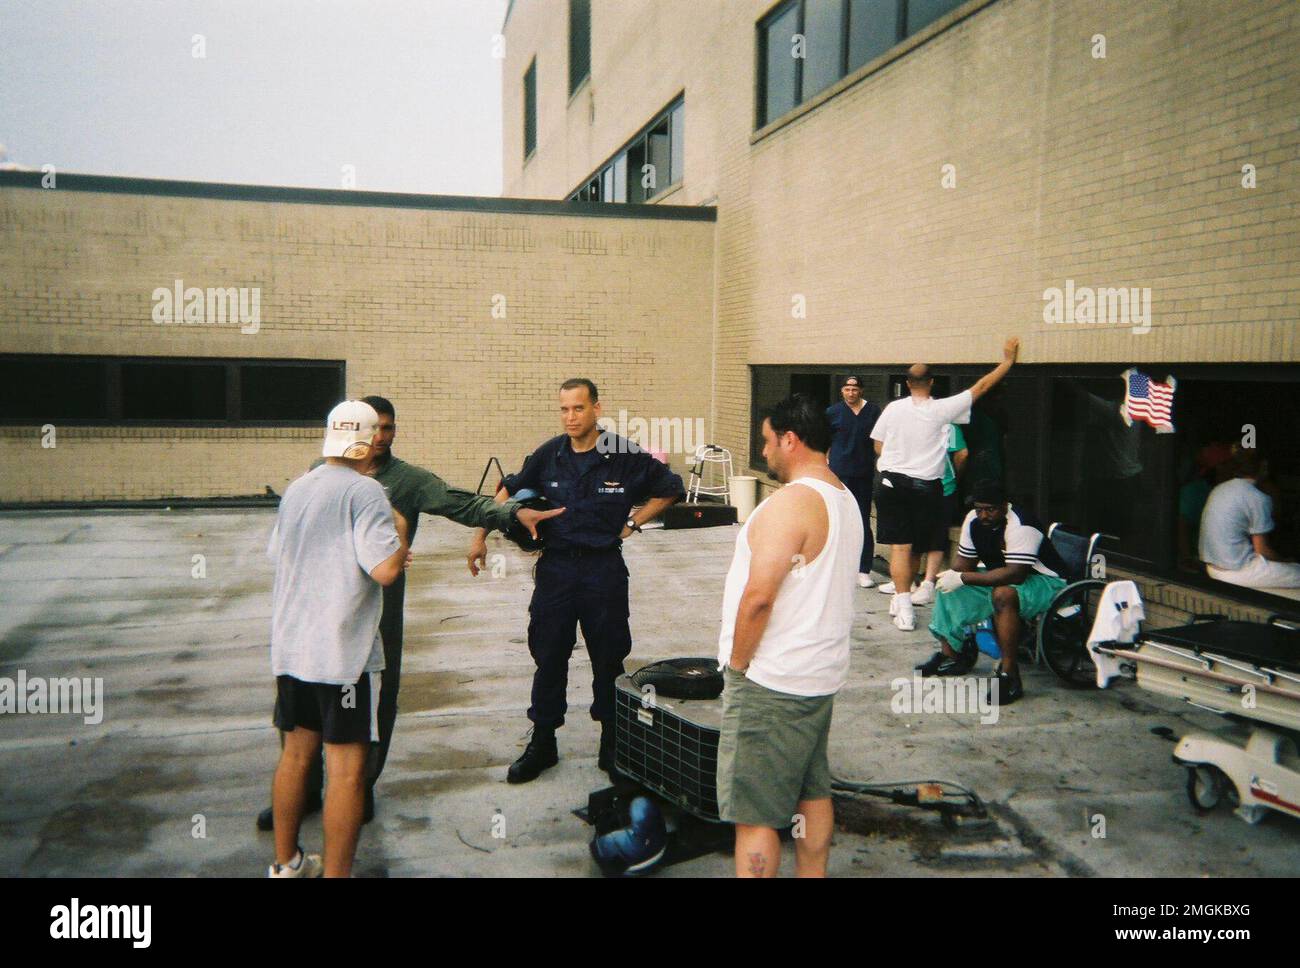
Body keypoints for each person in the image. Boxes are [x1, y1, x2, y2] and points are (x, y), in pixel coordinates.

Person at [255, 395, 561, 831]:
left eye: (387, 428)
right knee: (300, 714)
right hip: (309, 617)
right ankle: (304, 792)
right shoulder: (319, 473)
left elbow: (464, 503)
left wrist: (511, 512)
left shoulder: (408, 481)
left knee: (377, 704)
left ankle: (360, 787)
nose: (379, 436)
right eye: (372, 428)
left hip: (374, 619)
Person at [469, 379, 684, 783]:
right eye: (564, 409)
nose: (570, 417)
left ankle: (614, 740)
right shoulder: (549, 454)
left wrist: (633, 523)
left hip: (603, 570)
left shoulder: (622, 453)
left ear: (596, 408)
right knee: (549, 655)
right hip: (557, 570)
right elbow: (505, 490)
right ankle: (544, 741)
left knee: (608, 659)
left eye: (578, 409)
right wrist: (480, 536)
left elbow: (671, 488)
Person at [716, 394, 862, 878]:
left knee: (755, 814)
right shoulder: (845, 498)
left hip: (772, 683)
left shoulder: (790, 504)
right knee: (811, 791)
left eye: (767, 442)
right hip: (818, 679)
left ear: (790, 439)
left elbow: (759, 597)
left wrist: (737, 666)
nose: (765, 453)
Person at [265, 400, 408, 878]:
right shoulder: (366, 492)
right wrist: (401, 529)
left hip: (292, 649)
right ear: (367, 441)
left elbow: (281, 555)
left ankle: (285, 864)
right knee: (346, 773)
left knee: (295, 756)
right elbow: (385, 570)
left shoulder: (297, 489)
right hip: (344, 659)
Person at [870, 338, 1020, 632]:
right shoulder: (940, 409)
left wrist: (899, 459)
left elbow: (878, 445)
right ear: (932, 382)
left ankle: (903, 605)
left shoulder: (892, 409)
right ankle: (905, 605)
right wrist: (1007, 363)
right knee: (914, 547)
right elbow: (982, 388)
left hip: (890, 482)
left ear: (908, 383)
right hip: (926, 486)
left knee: (902, 547)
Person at [924, 479, 1068, 704]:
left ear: (1004, 506)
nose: (983, 515)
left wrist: (962, 577)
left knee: (1004, 595)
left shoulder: (1021, 524)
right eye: (979, 509)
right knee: (948, 588)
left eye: (990, 510)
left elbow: (1016, 575)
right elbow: (964, 565)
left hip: (1048, 582)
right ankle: (953, 654)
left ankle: (1010, 676)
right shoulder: (973, 520)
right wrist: (952, 576)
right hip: (1005, 575)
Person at [877, 422, 967, 600]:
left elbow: (962, 454)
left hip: (939, 487)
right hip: (917, 487)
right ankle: (906, 581)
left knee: (935, 536)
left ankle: (927, 583)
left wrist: (953, 476)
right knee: (914, 535)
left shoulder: (948, 426)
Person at [1199, 449, 1300, 598]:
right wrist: (1286, 561)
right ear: (1264, 467)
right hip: (1237, 571)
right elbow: (1263, 550)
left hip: (1212, 568)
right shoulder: (1257, 497)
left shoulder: (1219, 488)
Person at [825, 376, 882, 588]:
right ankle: (836, 567)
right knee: (837, 518)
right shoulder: (833, 412)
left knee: (862, 520)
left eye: (855, 389)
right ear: (842, 391)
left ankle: (863, 569)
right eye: (847, 389)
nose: (851, 393)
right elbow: (825, 441)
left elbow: (880, 440)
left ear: (861, 391)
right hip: (839, 472)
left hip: (864, 473)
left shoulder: (873, 412)